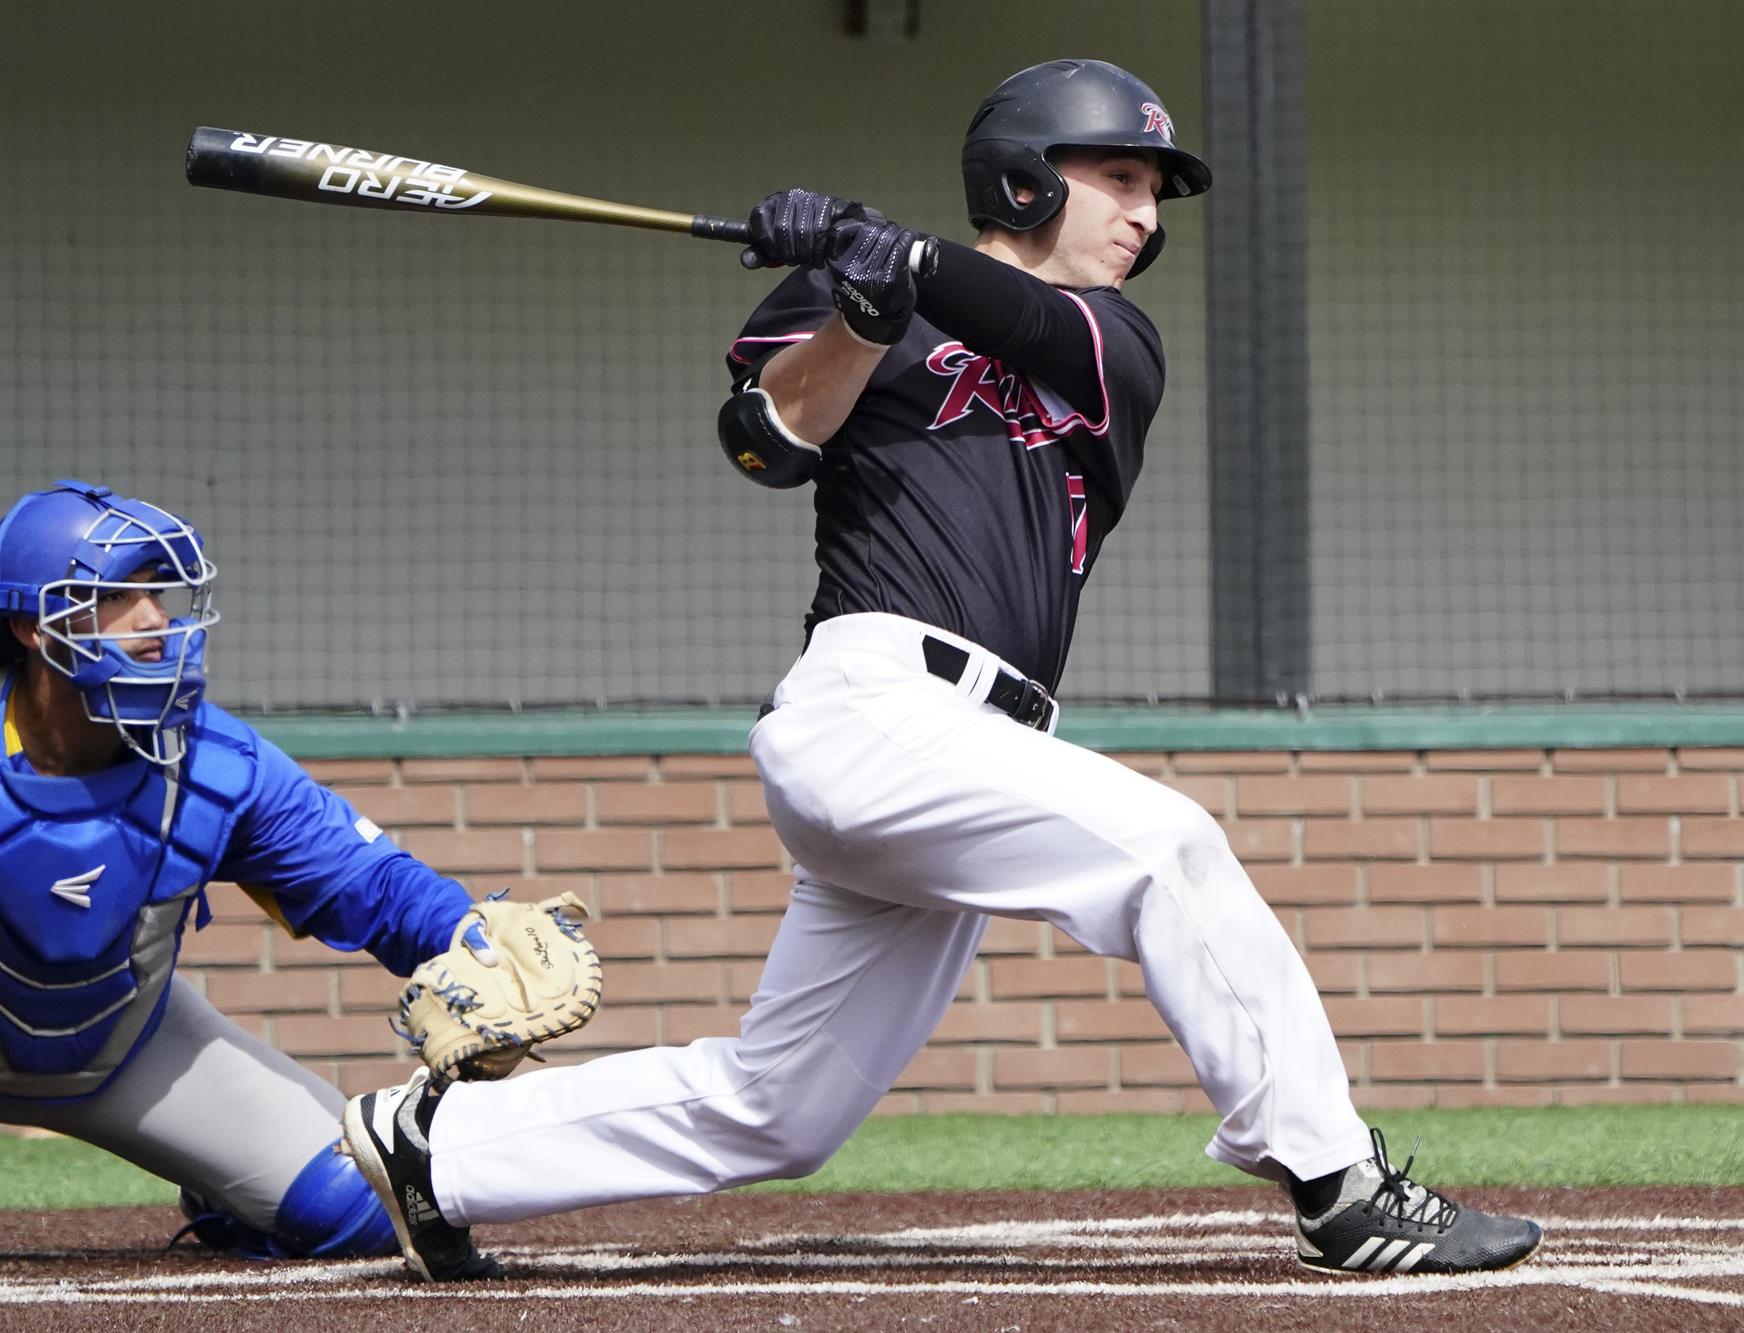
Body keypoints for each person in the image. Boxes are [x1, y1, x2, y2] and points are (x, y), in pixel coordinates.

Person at [344, 58, 1542, 1282]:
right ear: (1024, 181)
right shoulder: (862, 296)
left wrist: (899, 260)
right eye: (1119, 178)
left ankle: (443, 1148)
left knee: (781, 1108)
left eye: (1153, 191)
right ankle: (1338, 1185)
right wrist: (862, 312)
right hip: (871, 707)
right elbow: (767, 442)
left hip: (974, 747)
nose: (1144, 213)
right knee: (1168, 848)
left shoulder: (1115, 340)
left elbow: (1017, 320)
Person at [0, 479, 490, 1266]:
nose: (155, 619)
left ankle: (222, 1191)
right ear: (32, 625)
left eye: (158, 592)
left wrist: (472, 936)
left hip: (129, 1044)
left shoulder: (217, 763)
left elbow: (366, 882)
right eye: (117, 595)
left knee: (377, 1206)